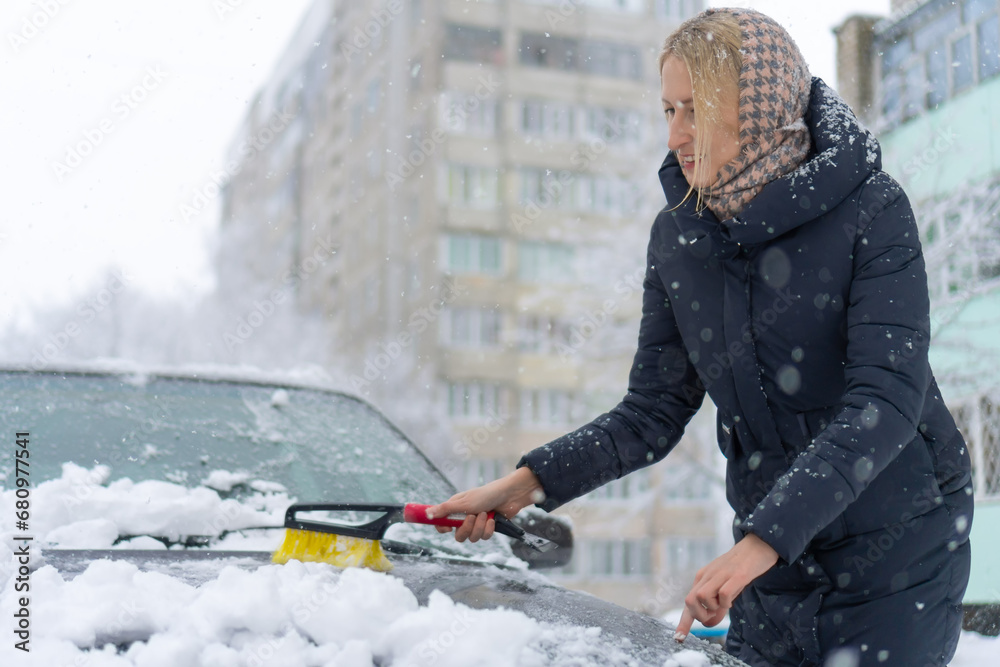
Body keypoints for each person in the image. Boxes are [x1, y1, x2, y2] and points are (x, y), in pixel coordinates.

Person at [428, 8, 973, 666]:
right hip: (771, 566)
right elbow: (651, 412)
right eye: (667, 111)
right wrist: (526, 482)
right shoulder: (680, 236)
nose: (676, 134)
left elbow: (885, 401)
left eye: (694, 109)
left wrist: (762, 539)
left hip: (898, 553)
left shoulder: (871, 209)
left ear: (757, 107)